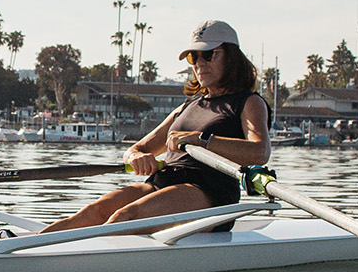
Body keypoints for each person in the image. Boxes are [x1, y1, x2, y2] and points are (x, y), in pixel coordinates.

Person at [42, 20, 270, 233]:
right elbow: (136, 149)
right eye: (194, 57)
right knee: (94, 212)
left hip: (207, 192)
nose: (200, 63)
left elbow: (260, 152)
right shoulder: (187, 106)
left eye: (209, 55)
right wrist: (136, 158)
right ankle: (21, 250)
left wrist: (201, 140)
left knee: (126, 217)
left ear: (231, 58)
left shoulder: (248, 102)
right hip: (163, 182)